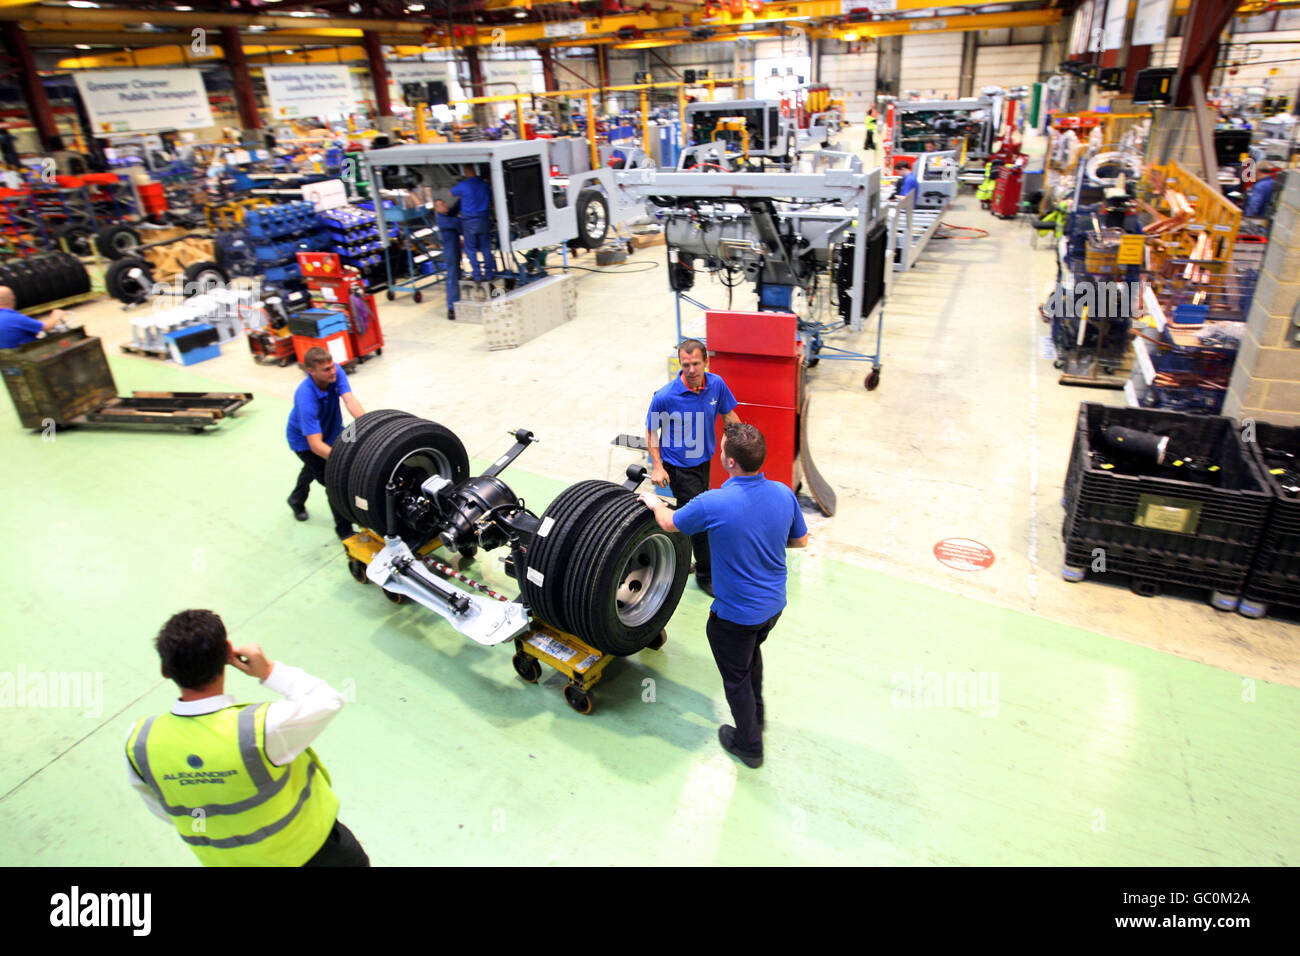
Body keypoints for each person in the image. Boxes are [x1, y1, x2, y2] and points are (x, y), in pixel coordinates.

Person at [125, 609, 368, 866]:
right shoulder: (262, 729)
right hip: (318, 856)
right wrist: (269, 671)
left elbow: (164, 808)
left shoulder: (140, 743)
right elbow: (329, 700)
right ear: (228, 654)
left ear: (165, 669)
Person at [641, 423, 808, 769]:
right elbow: (801, 541)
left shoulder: (713, 502)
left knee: (735, 678)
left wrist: (652, 501)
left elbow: (669, 523)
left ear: (729, 462)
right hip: (773, 606)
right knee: (749, 657)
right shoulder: (782, 493)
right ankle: (757, 718)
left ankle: (748, 744)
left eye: (722, 451)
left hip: (735, 616)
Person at [646, 339, 741, 597]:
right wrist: (657, 466)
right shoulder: (665, 396)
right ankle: (705, 574)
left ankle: (673, 552)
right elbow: (652, 431)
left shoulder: (716, 385)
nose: (690, 369)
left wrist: (740, 448)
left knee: (689, 510)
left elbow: (730, 417)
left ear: (706, 361)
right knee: (701, 517)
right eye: (685, 364)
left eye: (696, 363)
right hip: (679, 466)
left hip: (704, 461)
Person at [286, 346, 365, 539]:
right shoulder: (306, 397)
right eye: (326, 369)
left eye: (332, 366)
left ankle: (295, 499)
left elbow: (349, 400)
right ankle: (344, 531)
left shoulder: (336, 372)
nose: (333, 371)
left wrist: (368, 425)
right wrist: (343, 460)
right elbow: (315, 445)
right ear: (310, 371)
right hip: (305, 442)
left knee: (313, 469)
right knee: (334, 482)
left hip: (333, 430)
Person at [452, 164, 493, 286]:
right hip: (484, 219)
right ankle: (489, 273)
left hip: (469, 222)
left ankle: (477, 275)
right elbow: (490, 198)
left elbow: (451, 193)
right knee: (486, 248)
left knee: (471, 249)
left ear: (466, 172)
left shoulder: (463, 185)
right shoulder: (485, 185)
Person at [0, 286, 70, 349]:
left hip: (7, 358)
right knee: (62, 339)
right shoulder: (14, 317)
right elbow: (46, 327)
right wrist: (56, 317)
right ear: (13, 299)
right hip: (25, 354)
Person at [434, 196, 462, 320]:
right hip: (450, 252)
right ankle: (451, 308)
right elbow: (457, 223)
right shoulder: (442, 220)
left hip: (455, 250)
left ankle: (458, 302)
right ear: (436, 209)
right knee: (452, 278)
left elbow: (455, 209)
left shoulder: (446, 215)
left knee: (457, 275)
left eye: (444, 203)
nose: (445, 205)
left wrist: (463, 196)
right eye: (442, 204)